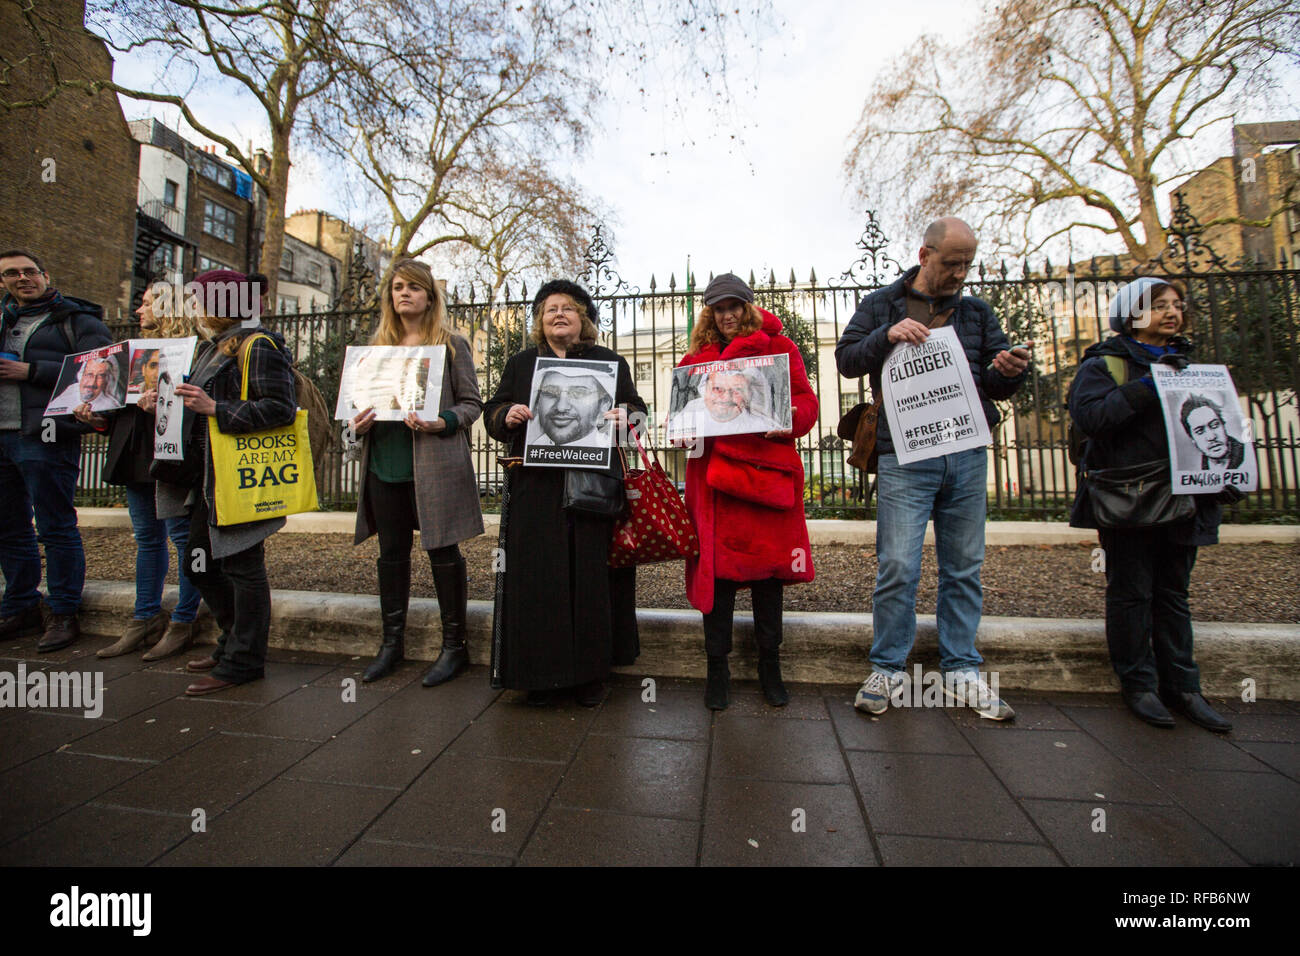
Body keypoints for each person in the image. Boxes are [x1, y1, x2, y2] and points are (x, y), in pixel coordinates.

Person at [835, 218, 1028, 721]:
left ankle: (962, 668)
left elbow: (993, 381)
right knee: (898, 564)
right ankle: (889, 669)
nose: (961, 273)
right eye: (951, 263)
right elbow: (848, 359)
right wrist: (886, 333)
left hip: (966, 452)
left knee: (964, 567)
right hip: (904, 453)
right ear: (925, 254)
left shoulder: (977, 313)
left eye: (968, 264)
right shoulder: (882, 303)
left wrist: (1009, 370)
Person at [1067, 276, 1233, 732]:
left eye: (1176, 304)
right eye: (1159, 304)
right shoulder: (1105, 365)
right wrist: (1150, 387)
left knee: (1174, 594)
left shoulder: (1192, 365)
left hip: (1188, 498)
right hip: (1132, 499)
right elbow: (1092, 418)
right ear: (1131, 314)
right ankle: (1138, 685)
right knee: (1131, 591)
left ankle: (1184, 687)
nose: (1171, 312)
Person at [484, 279, 646, 706]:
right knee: (538, 580)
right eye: (550, 309)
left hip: (592, 491)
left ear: (584, 319)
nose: (558, 314)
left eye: (568, 309)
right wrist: (508, 414)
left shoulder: (609, 362)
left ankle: (591, 675)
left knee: (591, 580)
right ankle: (541, 677)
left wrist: (624, 416)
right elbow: (491, 413)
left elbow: (638, 414)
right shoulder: (522, 364)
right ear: (540, 320)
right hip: (535, 492)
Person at [678, 273, 818, 710]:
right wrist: (682, 431)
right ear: (710, 313)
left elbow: (807, 404)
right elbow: (686, 419)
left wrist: (789, 418)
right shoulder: (695, 359)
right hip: (715, 484)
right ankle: (716, 670)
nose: (728, 315)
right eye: (719, 308)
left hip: (762, 475)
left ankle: (768, 667)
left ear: (748, 306)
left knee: (769, 577)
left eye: (735, 306)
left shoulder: (782, 348)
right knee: (716, 579)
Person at [345, 259, 484, 685]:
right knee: (390, 554)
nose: (404, 293)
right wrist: (356, 422)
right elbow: (353, 408)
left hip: (433, 466)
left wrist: (441, 420)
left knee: (443, 552)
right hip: (384, 467)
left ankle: (454, 648)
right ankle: (391, 645)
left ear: (429, 296)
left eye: (414, 287)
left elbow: (472, 404)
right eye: (398, 286)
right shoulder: (374, 351)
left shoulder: (451, 346)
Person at [170, 269, 298, 696]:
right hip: (206, 479)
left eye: (199, 301)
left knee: (242, 567)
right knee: (198, 563)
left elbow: (280, 408)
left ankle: (244, 660)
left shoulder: (257, 346)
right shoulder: (213, 348)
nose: (194, 310)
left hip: (236, 477)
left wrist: (214, 408)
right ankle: (231, 642)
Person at [78, 283, 203, 661]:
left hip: (172, 456)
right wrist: (95, 417)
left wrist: (164, 403)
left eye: (147, 303)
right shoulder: (132, 352)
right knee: (147, 539)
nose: (139, 310)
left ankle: (184, 619)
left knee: (182, 538)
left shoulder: (195, 351)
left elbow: (202, 408)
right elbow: (116, 410)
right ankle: (144, 618)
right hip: (134, 457)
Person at [0, 249, 112, 650]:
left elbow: (102, 372)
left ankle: (64, 614)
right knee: (9, 528)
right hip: (2, 436)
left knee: (55, 527)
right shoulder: (3, 319)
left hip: (44, 436)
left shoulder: (77, 321)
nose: (22, 278)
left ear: (45, 275)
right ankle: (20, 607)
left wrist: (31, 371)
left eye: (29, 271)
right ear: (3, 282)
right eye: (12, 273)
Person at [679, 365, 782, 434]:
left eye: (737, 391)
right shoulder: (690, 416)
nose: (727, 398)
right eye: (718, 389)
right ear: (704, 390)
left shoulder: (762, 424)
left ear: (748, 394)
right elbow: (679, 441)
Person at [530, 367, 614, 447]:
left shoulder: (609, 453)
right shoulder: (530, 449)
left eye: (578, 393)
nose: (561, 407)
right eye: (550, 392)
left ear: (604, 404)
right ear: (538, 402)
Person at [1179, 395, 1245, 470]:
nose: (1211, 437)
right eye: (1200, 431)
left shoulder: (1248, 456)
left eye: (1215, 425)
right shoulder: (1199, 471)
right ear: (1192, 439)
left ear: (1223, 424)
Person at [50, 355, 122, 413]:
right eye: (89, 374)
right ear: (81, 374)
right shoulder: (69, 392)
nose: (92, 382)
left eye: (100, 376)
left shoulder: (109, 405)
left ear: (106, 380)